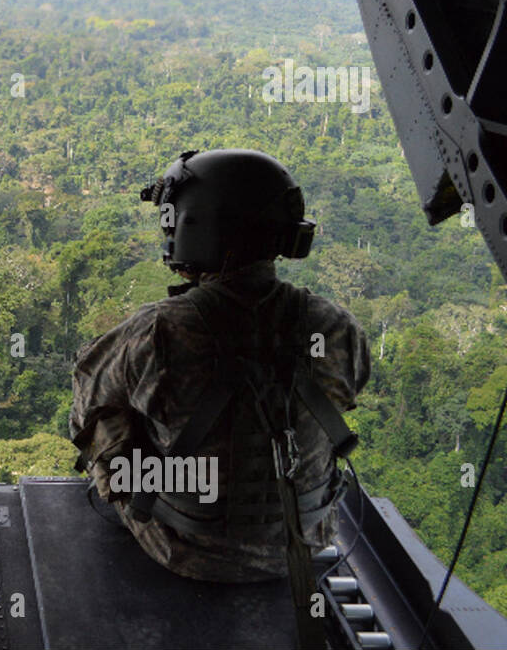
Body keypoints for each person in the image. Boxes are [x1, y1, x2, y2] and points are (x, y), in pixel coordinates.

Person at [69, 149, 371, 584]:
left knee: (104, 411)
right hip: (302, 541)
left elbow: (89, 392)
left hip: (188, 547)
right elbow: (349, 392)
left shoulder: (160, 330)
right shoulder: (337, 327)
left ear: (201, 227)